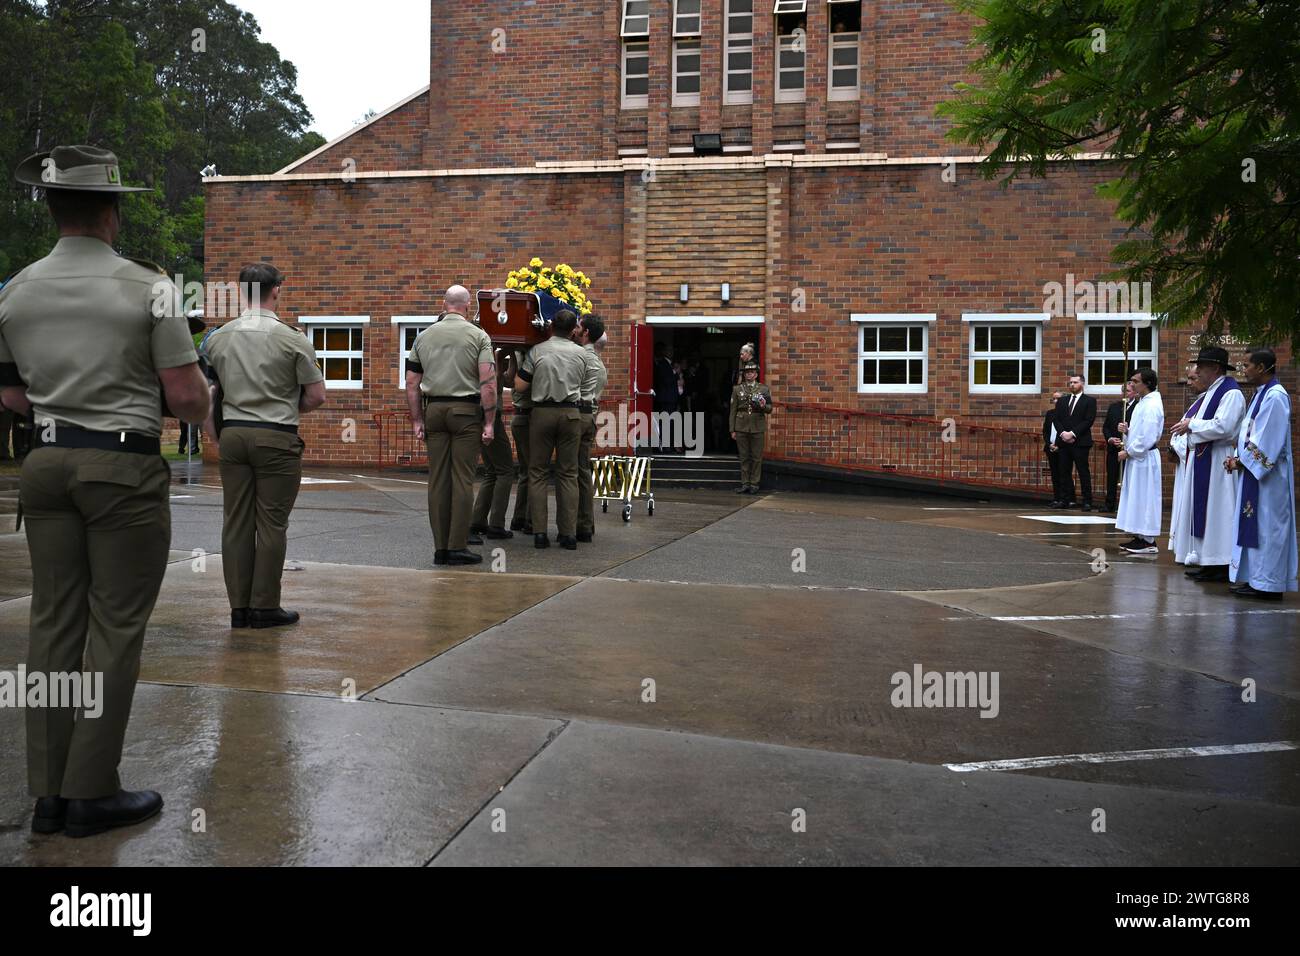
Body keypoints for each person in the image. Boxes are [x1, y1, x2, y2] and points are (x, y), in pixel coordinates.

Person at [0, 145, 211, 837]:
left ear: (54, 209)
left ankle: (48, 794)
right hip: (120, 468)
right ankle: (92, 791)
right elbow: (185, 401)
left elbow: (11, 395)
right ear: (113, 213)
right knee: (115, 627)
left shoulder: (16, 289)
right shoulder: (149, 288)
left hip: (47, 463)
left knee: (53, 623)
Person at [203, 263, 328, 627]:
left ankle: (238, 608)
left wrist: (216, 434)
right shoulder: (292, 339)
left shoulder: (217, 338)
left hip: (234, 436)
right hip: (276, 435)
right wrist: (290, 406)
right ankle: (264, 606)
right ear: (276, 291)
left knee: (236, 522)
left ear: (242, 292)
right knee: (271, 523)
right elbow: (317, 396)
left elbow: (210, 393)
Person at [406, 285, 496, 566]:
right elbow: (488, 384)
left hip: (434, 410)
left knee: (438, 480)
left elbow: (411, 384)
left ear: (444, 304)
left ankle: (440, 548)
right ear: (468, 306)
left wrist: (417, 419)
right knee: (462, 479)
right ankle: (457, 546)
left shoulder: (424, 336)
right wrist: (490, 422)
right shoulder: (479, 336)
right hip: (465, 412)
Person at [1227, 349, 1297, 600]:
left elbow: (1268, 439)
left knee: (1269, 528)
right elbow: (1249, 433)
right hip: (1255, 474)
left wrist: (1241, 462)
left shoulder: (1275, 397)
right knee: (1255, 526)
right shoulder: (1260, 395)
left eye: (1247, 365)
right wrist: (1238, 457)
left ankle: (1269, 584)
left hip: (1269, 480)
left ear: (1263, 367)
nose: (1244, 370)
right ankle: (1257, 579)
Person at [1168, 348, 1244, 581]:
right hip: (1204, 456)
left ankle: (1220, 562)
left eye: (1202, 367)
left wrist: (1192, 425)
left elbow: (1224, 427)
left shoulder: (1230, 393)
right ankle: (1207, 559)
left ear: (1216, 368)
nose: (1198, 371)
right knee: (1207, 512)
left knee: (1219, 511)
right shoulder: (1212, 392)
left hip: (1218, 459)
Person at [516, 309, 587, 550]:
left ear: (551, 326)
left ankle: (539, 533)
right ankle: (568, 534)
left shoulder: (538, 350)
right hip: (571, 413)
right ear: (572, 329)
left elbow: (519, 385)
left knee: (538, 472)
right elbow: (586, 384)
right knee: (568, 473)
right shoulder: (581, 353)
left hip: (542, 413)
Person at [1115, 368, 1165, 555]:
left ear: (1148, 383)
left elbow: (1148, 435)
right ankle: (1140, 535)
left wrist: (1129, 451)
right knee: (1136, 497)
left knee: (1145, 497)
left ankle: (1149, 540)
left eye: (1135, 381)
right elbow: (1140, 431)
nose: (1132, 385)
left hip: (1144, 458)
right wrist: (1128, 431)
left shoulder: (1152, 405)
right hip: (1138, 458)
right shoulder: (1142, 402)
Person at [469, 348, 516, 541]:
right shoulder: (484, 358)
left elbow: (509, 379)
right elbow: (494, 384)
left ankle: (478, 520)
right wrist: (498, 357)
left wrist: (512, 355)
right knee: (505, 470)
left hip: (478, 417)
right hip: (489, 417)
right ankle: (496, 524)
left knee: (491, 471)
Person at [575, 315, 608, 543]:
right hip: (590, 415)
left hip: (577, 415)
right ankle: (586, 523)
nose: (575, 329)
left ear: (585, 332)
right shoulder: (600, 363)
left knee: (571, 472)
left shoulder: (579, 358)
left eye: (578, 326)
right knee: (582, 471)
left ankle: (575, 526)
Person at [1052, 374, 1097, 511]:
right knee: (1064, 472)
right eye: (1070, 382)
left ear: (1082, 384)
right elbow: (1056, 419)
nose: (1072, 385)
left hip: (1080, 442)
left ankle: (1087, 501)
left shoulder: (1089, 401)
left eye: (1075, 382)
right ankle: (1065, 499)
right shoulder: (1062, 401)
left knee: (1083, 472)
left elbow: (1088, 420)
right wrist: (1063, 434)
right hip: (1064, 442)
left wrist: (1072, 434)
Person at [730, 361, 772, 494]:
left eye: (752, 372)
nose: (749, 374)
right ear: (744, 374)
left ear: (756, 374)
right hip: (741, 425)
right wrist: (732, 429)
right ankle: (745, 483)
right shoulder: (737, 389)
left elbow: (769, 409)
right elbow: (733, 410)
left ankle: (754, 484)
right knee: (744, 457)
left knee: (756, 457)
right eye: (747, 372)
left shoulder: (763, 389)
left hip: (757, 425)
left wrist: (762, 406)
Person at [1101, 380, 1137, 513]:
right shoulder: (1114, 407)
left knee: (1128, 478)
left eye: (1127, 391)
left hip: (1130, 450)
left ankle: (1127, 506)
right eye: (1123, 391)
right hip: (1113, 449)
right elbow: (1106, 427)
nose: (1125, 393)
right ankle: (1109, 504)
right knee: (1111, 477)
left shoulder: (1138, 407)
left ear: (1134, 392)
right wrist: (1110, 438)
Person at [508, 347, 533, 534]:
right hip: (529, 416)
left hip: (519, 415)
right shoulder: (536, 354)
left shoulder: (515, 354)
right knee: (535, 471)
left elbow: (510, 381)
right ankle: (531, 520)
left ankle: (519, 518)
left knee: (526, 470)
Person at [653, 341, 679, 452]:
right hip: (666, 399)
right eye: (669, 350)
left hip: (670, 399)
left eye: (672, 350)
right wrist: (674, 373)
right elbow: (665, 381)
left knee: (669, 422)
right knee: (666, 423)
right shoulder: (663, 365)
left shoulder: (668, 364)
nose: (671, 352)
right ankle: (665, 446)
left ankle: (667, 445)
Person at [1042, 391, 1064, 503]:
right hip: (1050, 447)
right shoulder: (1050, 413)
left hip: (1062, 448)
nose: (1056, 401)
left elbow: (1066, 431)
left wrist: (1058, 445)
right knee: (1054, 474)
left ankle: (1065, 498)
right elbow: (1045, 431)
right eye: (1054, 399)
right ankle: (1056, 498)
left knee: (1063, 474)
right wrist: (1048, 444)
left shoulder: (1067, 414)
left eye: (1058, 398)